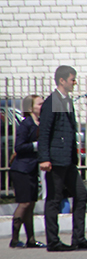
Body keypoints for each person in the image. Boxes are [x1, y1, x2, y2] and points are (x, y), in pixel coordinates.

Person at [38, 65, 87, 252]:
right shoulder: (52, 101)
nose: (75, 82)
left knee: (81, 195)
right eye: (72, 79)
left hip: (68, 160)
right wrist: (44, 158)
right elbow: (45, 132)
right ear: (62, 81)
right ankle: (53, 241)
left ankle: (78, 238)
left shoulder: (66, 101)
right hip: (55, 160)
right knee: (54, 200)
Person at [8, 95, 45, 248]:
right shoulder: (26, 124)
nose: (42, 106)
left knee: (31, 204)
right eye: (39, 104)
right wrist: (37, 146)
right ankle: (15, 239)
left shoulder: (40, 123)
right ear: (31, 108)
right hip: (21, 169)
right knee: (24, 203)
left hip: (31, 169)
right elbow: (19, 147)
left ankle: (31, 239)